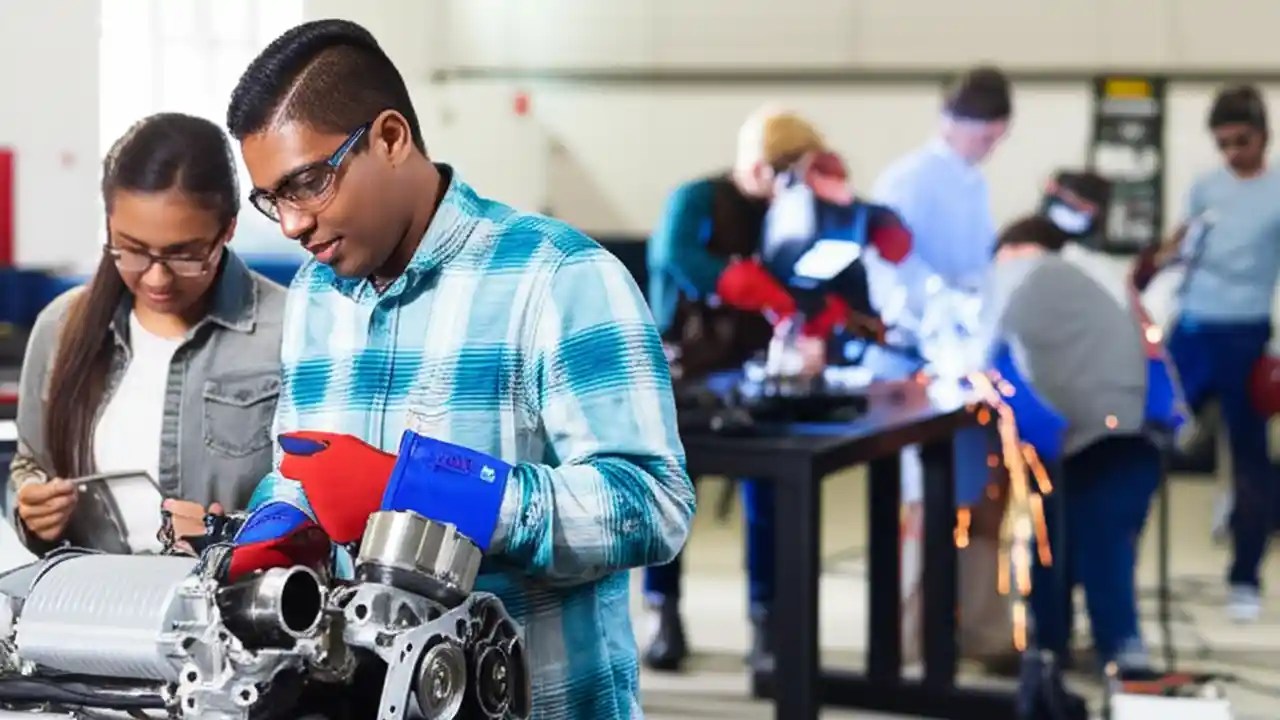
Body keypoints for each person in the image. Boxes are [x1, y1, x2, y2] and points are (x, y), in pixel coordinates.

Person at [203, 19, 693, 718]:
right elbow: (305, 469)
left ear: (392, 138)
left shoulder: (558, 277)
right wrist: (276, 520)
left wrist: (431, 491)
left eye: (307, 183)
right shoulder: (316, 296)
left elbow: (652, 505)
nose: (290, 225)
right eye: (271, 199)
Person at [8, 113, 286, 555]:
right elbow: (29, 464)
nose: (157, 279)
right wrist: (34, 510)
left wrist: (227, 536)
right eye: (132, 250)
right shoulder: (61, 327)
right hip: (91, 606)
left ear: (227, 230)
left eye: (185, 255)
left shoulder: (286, 332)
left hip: (230, 612)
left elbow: (317, 512)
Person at [644, 106, 827, 672]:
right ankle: (663, 614)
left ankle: (766, 623)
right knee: (668, 501)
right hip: (686, 375)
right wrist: (737, 282)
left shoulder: (780, 214)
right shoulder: (697, 199)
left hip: (753, 375)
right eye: (790, 171)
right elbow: (675, 256)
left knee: (768, 501)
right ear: (764, 164)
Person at [980, 215, 1160, 673]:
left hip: (1088, 435)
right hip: (1135, 432)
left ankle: (1112, 651)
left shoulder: (1024, 271)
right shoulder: (1097, 277)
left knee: (1086, 544)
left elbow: (987, 356)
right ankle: (1062, 643)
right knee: (1074, 539)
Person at [1132, 84, 1280, 622]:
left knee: (1249, 459)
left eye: (1241, 141)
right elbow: (1178, 246)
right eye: (1222, 144)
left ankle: (1244, 578)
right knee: (1142, 442)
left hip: (1246, 335)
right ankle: (1120, 563)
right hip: (1191, 332)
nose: (1232, 153)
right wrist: (1160, 260)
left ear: (1263, 135)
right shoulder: (1205, 188)